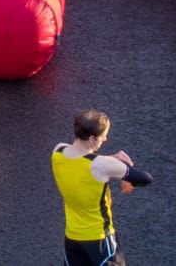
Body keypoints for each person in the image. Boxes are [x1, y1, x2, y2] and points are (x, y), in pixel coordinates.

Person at [51, 109, 147, 266]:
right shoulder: (101, 165)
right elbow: (145, 178)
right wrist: (122, 174)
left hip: (72, 240)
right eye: (103, 136)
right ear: (92, 138)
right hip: (100, 241)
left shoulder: (58, 151)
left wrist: (110, 160)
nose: (105, 139)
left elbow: (81, 163)